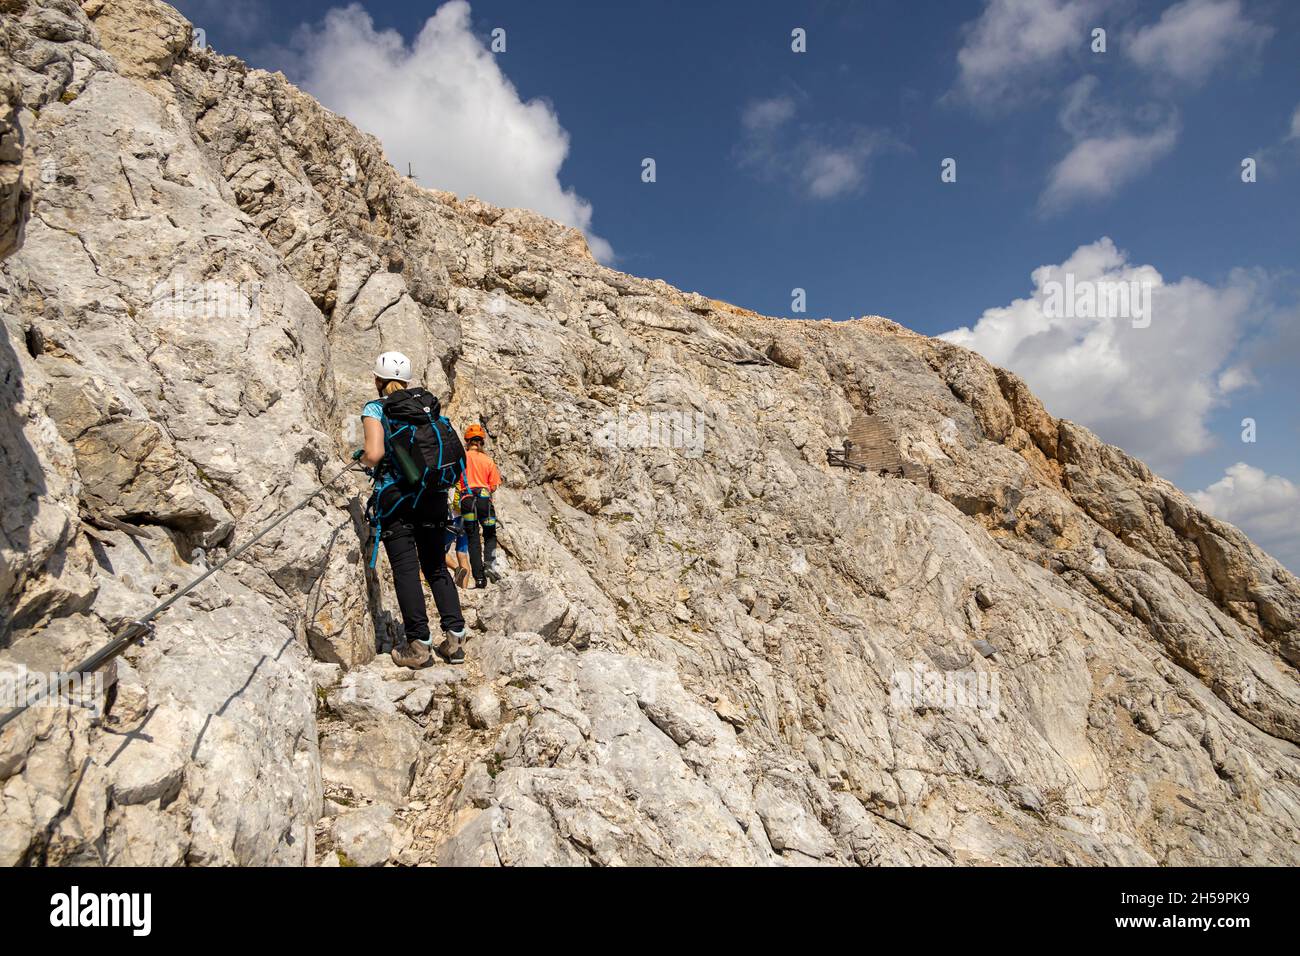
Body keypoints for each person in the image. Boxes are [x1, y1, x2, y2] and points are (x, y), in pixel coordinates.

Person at [359, 351, 467, 666]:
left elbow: (375, 453)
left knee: (406, 569)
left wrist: (362, 460)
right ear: (406, 380)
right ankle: (455, 640)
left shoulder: (376, 408)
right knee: (435, 567)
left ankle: (418, 646)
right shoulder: (425, 407)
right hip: (433, 498)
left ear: (378, 380)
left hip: (398, 499)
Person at [458, 423, 502, 589]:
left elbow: (455, 477)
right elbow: (494, 486)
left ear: (467, 442)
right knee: (490, 534)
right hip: (484, 499)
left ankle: (479, 579)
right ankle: (490, 565)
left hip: (467, 500)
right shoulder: (488, 460)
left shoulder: (461, 458)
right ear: (481, 442)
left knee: (473, 538)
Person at [444, 488, 473, 588]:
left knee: (438, 550)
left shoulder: (453, 476)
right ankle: (464, 589)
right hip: (468, 518)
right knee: (463, 556)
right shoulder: (469, 477)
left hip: (453, 518)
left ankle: (457, 569)